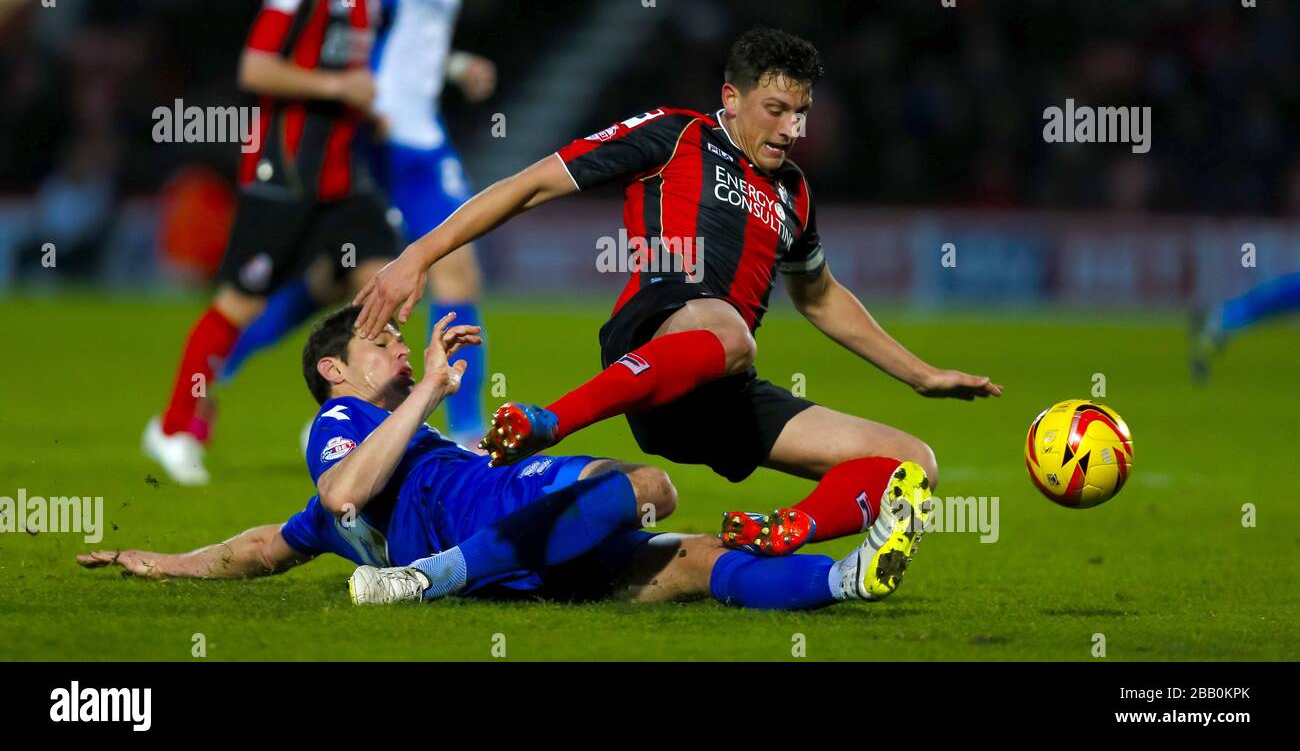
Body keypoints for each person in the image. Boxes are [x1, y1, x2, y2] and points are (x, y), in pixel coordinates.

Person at [352, 27, 1001, 555]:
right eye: (775, 110)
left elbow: (821, 294)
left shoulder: (794, 191)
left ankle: (783, 532)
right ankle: (548, 420)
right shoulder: (677, 133)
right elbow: (530, 185)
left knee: (911, 463)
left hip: (720, 388)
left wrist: (921, 374)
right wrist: (420, 252)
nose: (788, 129)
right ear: (733, 96)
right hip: (657, 333)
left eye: (800, 114)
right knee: (727, 328)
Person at [82, 305, 933, 610]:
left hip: (525, 554)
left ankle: (845, 579)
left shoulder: (397, 444)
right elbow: (342, 492)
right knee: (649, 484)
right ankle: (434, 580)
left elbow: (268, 543)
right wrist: (424, 393)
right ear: (335, 372)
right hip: (484, 524)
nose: (404, 354)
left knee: (708, 561)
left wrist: (159, 561)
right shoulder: (338, 420)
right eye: (385, 345)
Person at [220, 0, 496, 448]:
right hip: (376, 136)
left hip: (424, 138)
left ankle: (466, 429)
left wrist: (457, 64)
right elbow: (349, 25)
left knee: (450, 269)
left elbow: (407, 39)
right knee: (339, 281)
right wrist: (349, 101)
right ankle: (221, 367)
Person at [143, 0, 401, 485]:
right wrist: (341, 87)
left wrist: (368, 115)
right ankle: (175, 427)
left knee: (387, 288)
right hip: (284, 177)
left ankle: (348, 420)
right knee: (238, 305)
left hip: (345, 180)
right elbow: (256, 69)